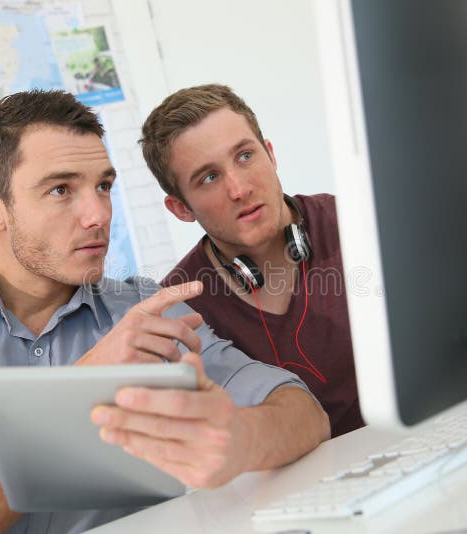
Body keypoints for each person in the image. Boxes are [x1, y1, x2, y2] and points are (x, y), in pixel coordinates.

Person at [0, 89, 330, 533]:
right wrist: (82, 385)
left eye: (103, 186)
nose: (98, 215)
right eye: (61, 190)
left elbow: (301, 411)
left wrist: (238, 439)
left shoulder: (144, 308)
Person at [140, 84, 365, 438]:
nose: (239, 188)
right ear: (181, 208)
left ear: (270, 154)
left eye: (245, 156)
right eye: (209, 177)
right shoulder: (179, 307)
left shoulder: (359, 221)